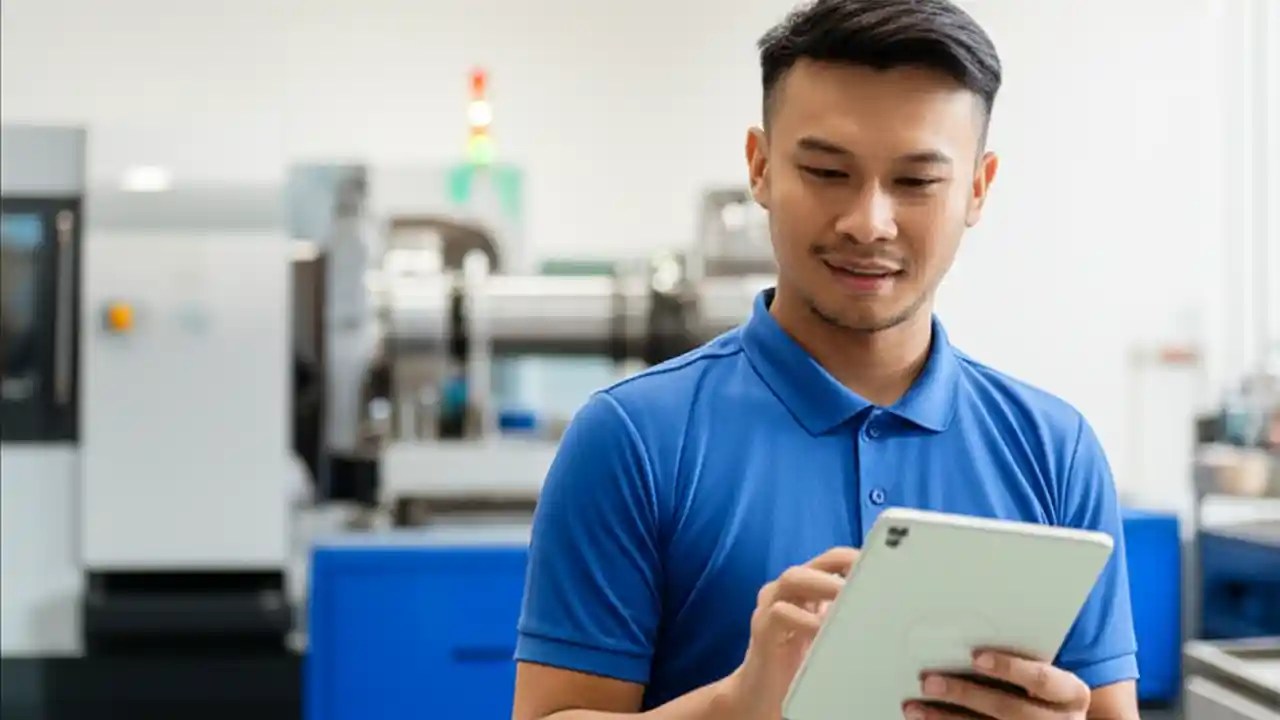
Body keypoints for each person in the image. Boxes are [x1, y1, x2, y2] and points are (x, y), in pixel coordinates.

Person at [511, 0, 1141, 718]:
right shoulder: (632, 441)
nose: (868, 223)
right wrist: (740, 702)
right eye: (826, 171)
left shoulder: (1054, 452)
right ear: (760, 167)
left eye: (916, 182)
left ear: (977, 188)